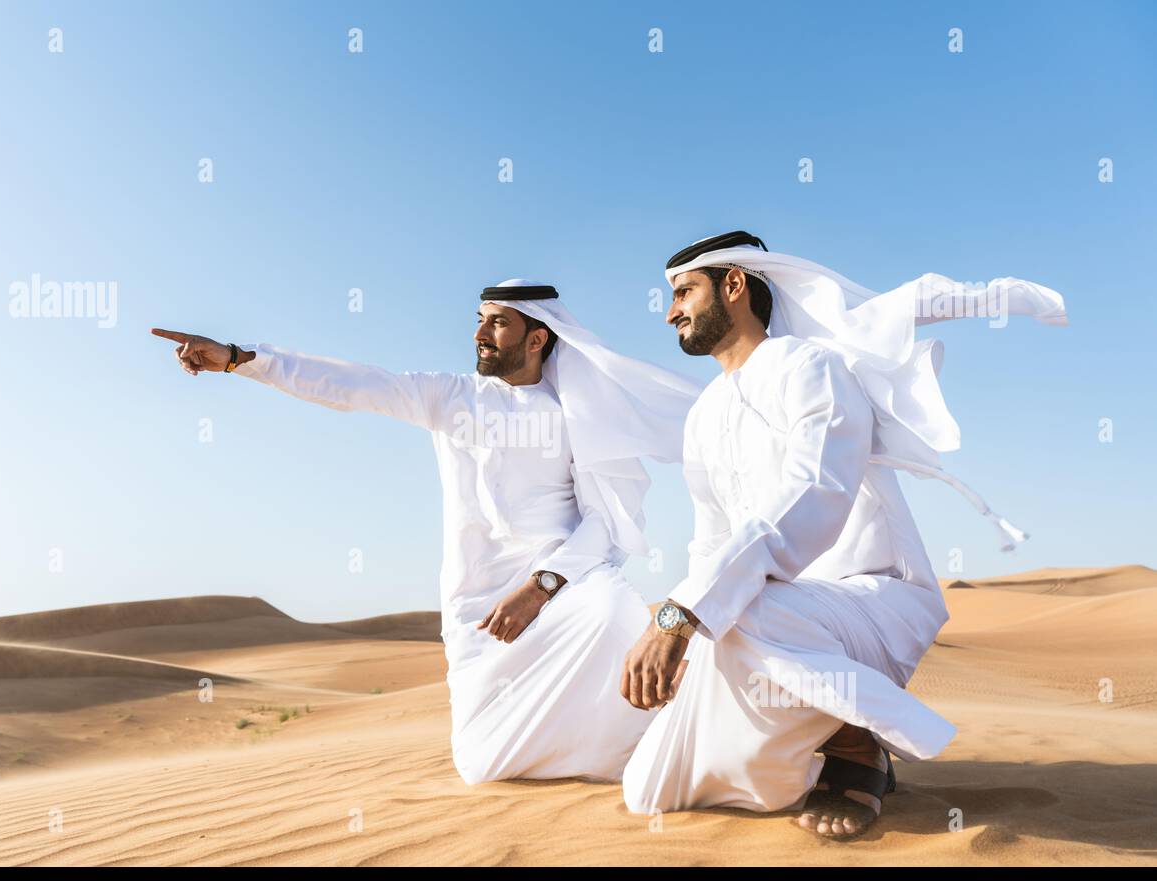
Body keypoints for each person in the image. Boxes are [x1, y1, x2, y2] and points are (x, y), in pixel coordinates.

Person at [151, 278, 702, 785]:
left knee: (615, 612)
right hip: (478, 597)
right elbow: (353, 385)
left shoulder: (576, 412)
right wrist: (241, 360)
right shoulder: (450, 396)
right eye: (480, 320)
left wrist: (542, 585)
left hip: (562, 584)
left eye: (498, 322)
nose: (480, 333)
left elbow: (601, 522)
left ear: (537, 338)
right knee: (483, 765)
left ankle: (653, 755)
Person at [619, 230, 1067, 839]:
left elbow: (812, 496)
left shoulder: (812, 367)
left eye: (684, 291)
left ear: (733, 286)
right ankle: (808, 742)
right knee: (651, 785)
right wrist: (688, 629)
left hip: (871, 597)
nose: (670, 310)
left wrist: (682, 613)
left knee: (732, 604)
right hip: (771, 611)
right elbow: (709, 545)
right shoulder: (704, 414)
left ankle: (859, 749)